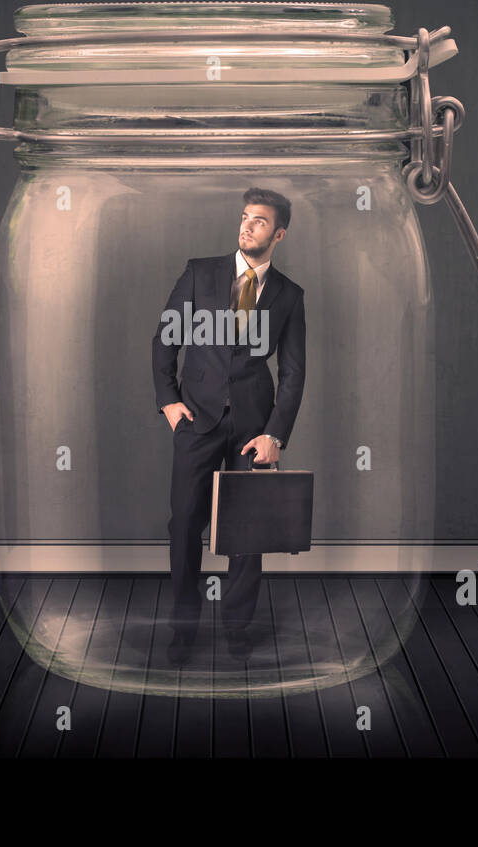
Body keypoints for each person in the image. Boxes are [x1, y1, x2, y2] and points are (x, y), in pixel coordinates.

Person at [151, 187, 306, 663]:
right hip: (195, 419)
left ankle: (237, 629)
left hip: (253, 427)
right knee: (184, 527)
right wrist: (169, 403)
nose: (247, 226)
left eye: (259, 221)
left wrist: (275, 434)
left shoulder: (289, 295)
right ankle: (183, 630)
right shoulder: (201, 272)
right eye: (244, 217)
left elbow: (294, 371)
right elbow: (164, 339)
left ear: (278, 233)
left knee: (247, 531)